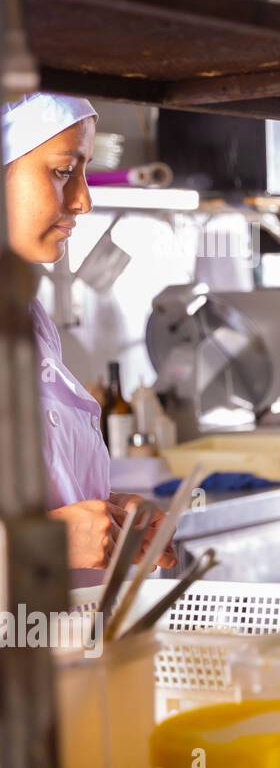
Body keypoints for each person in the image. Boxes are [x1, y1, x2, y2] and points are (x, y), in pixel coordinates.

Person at [3, 93, 175, 581]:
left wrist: (110, 516)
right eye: (62, 171)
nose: (84, 199)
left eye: (84, 172)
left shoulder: (27, 318)